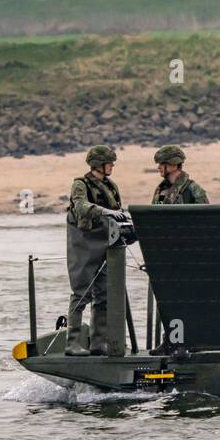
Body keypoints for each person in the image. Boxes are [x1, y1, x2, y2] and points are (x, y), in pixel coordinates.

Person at [65, 145, 126, 357]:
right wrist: (105, 211)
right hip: (83, 244)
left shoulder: (110, 186)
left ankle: (99, 343)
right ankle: (72, 343)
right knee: (80, 293)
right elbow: (81, 206)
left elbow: (117, 210)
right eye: (109, 163)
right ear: (98, 165)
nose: (112, 167)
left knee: (104, 294)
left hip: (104, 243)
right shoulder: (80, 185)